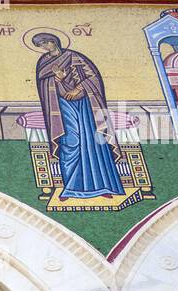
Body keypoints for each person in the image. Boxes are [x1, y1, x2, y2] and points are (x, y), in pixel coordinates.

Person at [32, 32, 124, 200]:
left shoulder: (74, 57)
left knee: (93, 142)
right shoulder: (44, 63)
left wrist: (79, 88)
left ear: (54, 41)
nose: (44, 48)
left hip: (85, 105)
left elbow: (93, 78)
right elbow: (44, 83)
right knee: (70, 141)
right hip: (61, 106)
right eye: (41, 45)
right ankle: (71, 188)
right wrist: (59, 80)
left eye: (46, 43)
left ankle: (102, 186)